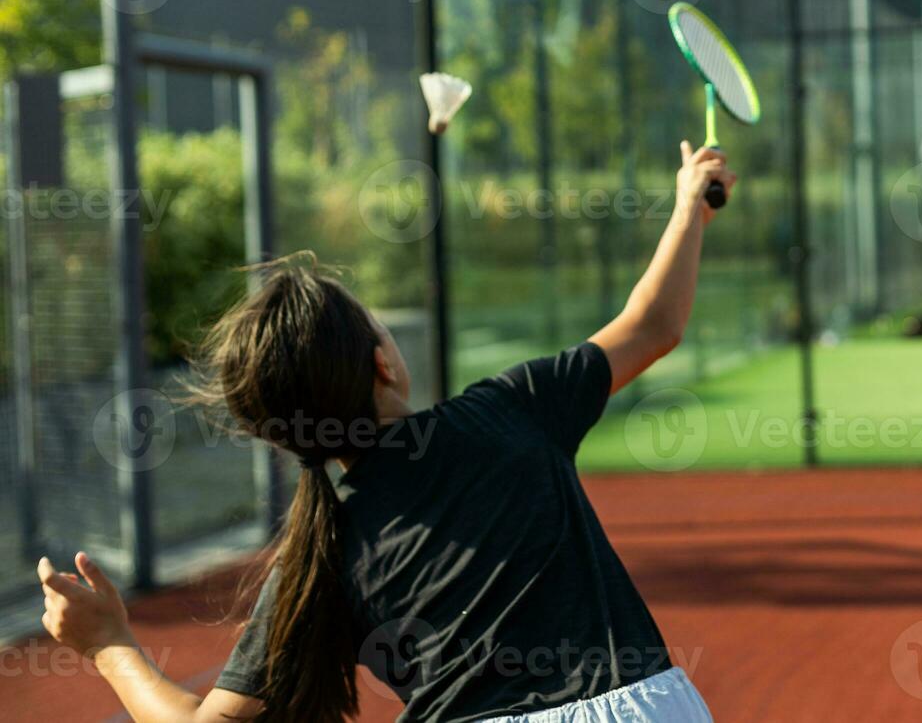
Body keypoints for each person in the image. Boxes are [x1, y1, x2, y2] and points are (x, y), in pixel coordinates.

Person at [36, 142, 736, 723]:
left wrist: (107, 644)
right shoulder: (513, 408)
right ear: (384, 361)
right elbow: (653, 325)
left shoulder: (319, 553)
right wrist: (688, 207)